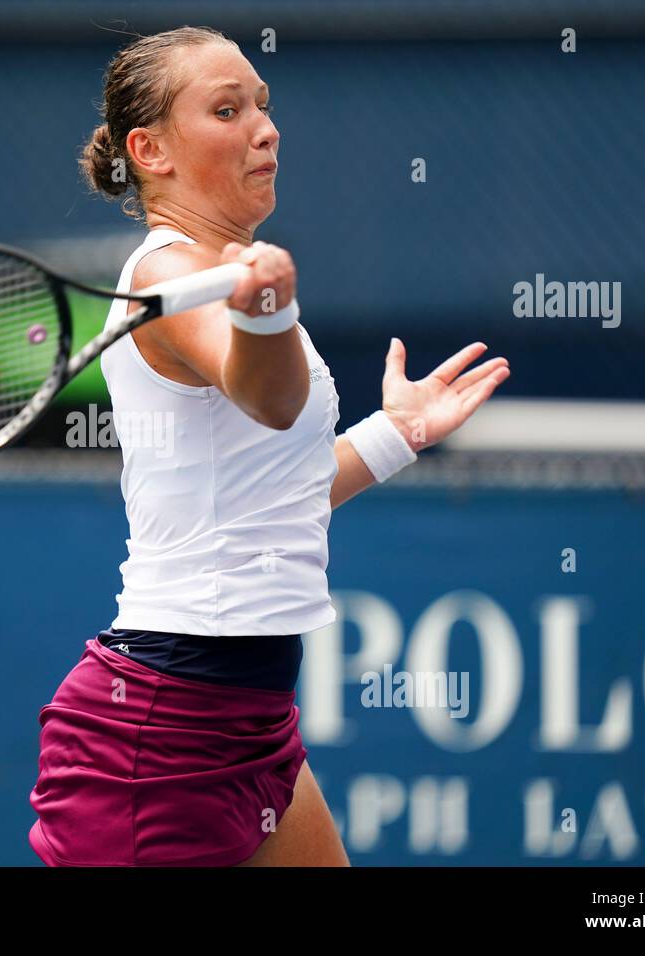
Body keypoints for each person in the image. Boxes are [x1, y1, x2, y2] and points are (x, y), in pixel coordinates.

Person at [28, 25, 510, 867]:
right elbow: (270, 395)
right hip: (160, 736)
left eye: (262, 104)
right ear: (151, 150)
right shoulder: (167, 281)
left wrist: (397, 435)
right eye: (226, 109)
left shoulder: (226, 268)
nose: (264, 126)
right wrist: (267, 315)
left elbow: (276, 489)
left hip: (249, 719)